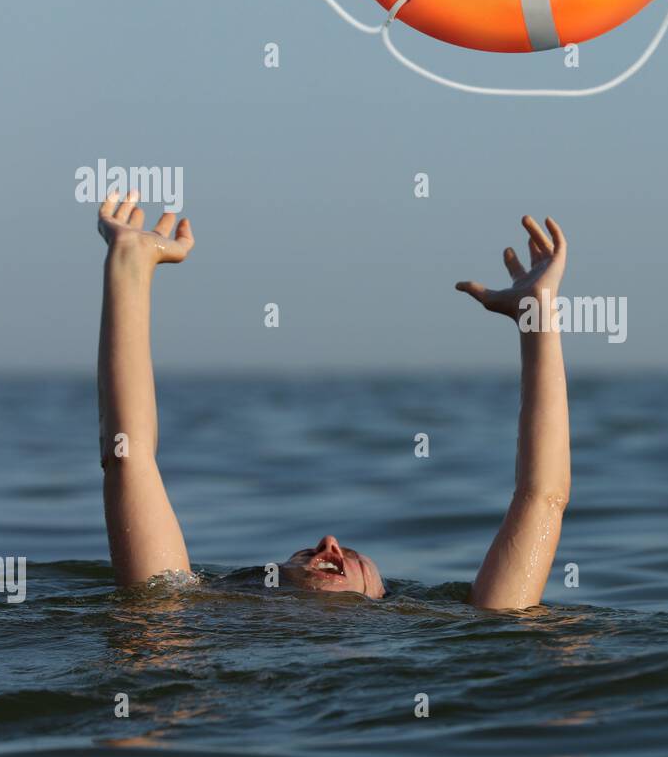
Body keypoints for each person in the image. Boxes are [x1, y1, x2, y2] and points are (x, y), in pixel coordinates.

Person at [94, 191, 570, 611]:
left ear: (384, 603)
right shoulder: (188, 610)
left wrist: (537, 317)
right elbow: (126, 458)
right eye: (307, 553)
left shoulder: (435, 630)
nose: (329, 542)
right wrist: (129, 263)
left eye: (356, 561)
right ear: (266, 583)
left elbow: (543, 499)